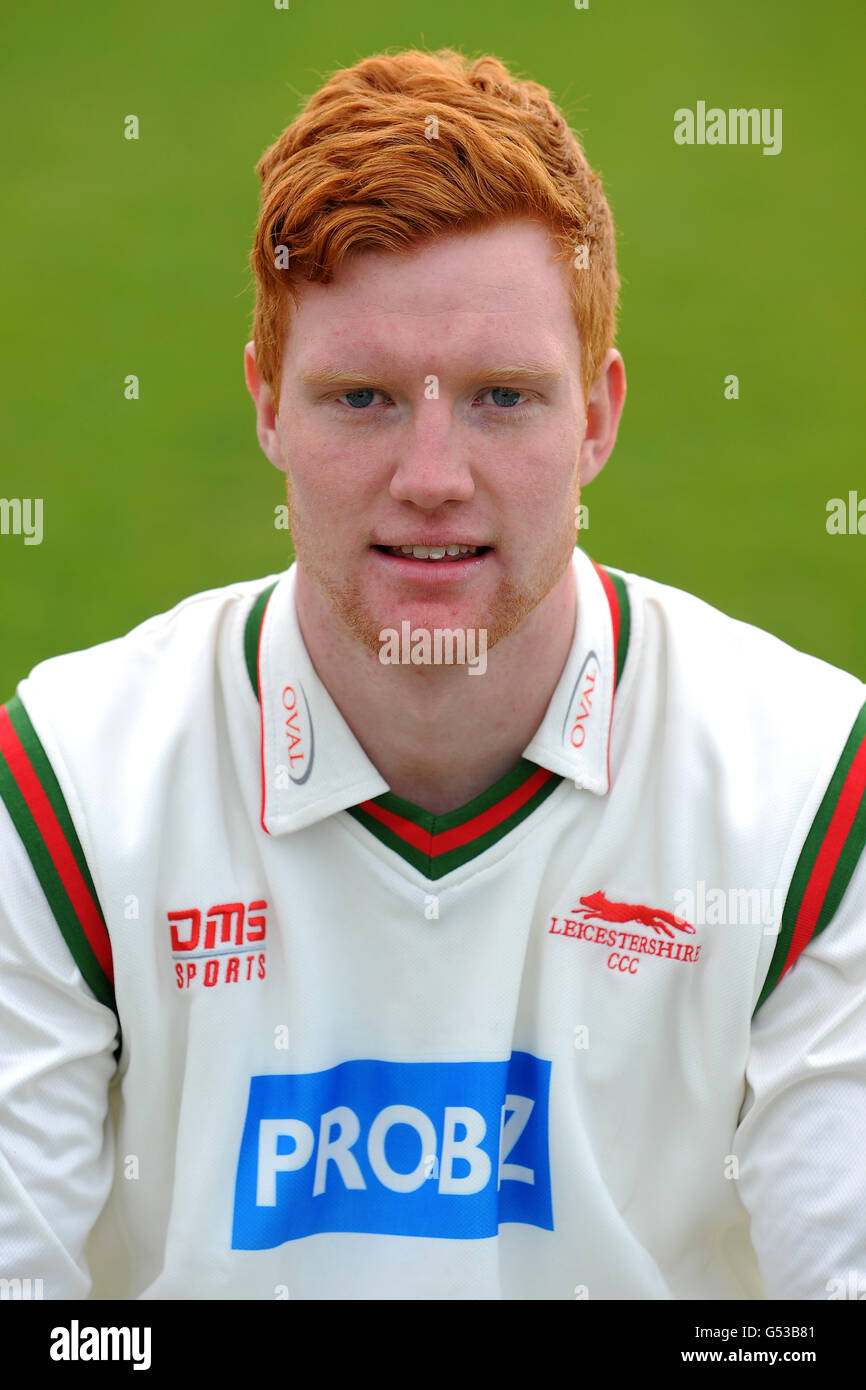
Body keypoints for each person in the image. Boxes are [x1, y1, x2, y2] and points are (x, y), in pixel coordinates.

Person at [1, 47, 864, 1302]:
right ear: (265, 409)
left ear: (598, 417)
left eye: (502, 397)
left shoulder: (801, 787)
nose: (430, 477)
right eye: (358, 398)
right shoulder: (73, 784)